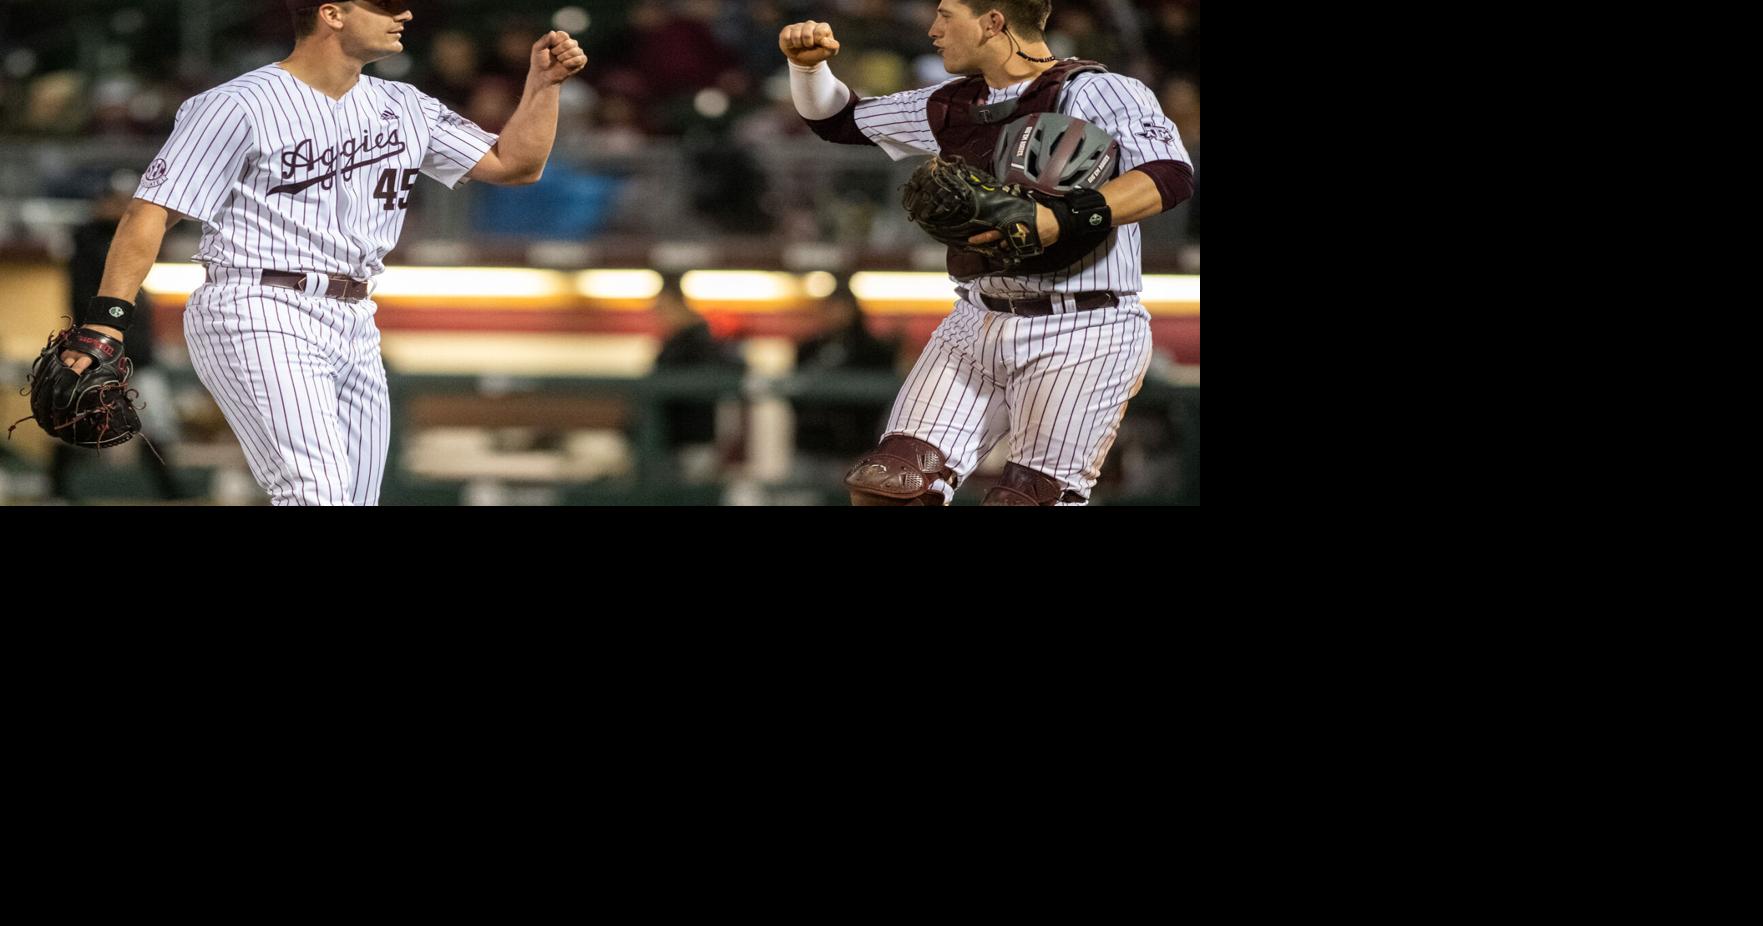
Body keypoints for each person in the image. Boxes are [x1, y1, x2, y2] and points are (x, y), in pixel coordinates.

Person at [54, 0, 586, 505]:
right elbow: (149, 212)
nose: (404, 14)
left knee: (352, 498)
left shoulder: (404, 105)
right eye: (382, 6)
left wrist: (543, 86)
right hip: (257, 303)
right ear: (331, 13)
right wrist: (107, 321)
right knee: (316, 491)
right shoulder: (237, 104)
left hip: (355, 315)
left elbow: (515, 164)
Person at [779, 1, 1193, 505]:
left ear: (993, 21)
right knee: (890, 487)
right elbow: (840, 120)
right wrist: (808, 66)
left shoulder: (1096, 89)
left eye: (946, 15)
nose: (932, 30)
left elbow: (1169, 175)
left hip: (1085, 325)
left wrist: (1060, 217)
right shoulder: (954, 103)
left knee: (1025, 499)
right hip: (976, 317)